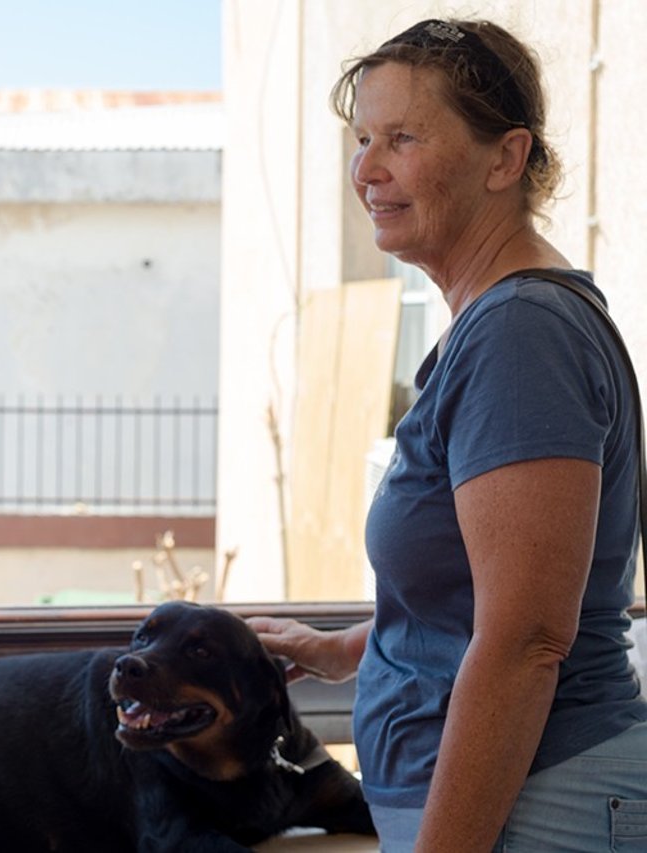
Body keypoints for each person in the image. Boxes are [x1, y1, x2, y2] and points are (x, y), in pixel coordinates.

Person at [249, 18, 647, 852]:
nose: (366, 169)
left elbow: (528, 636)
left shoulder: (522, 333)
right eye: (363, 139)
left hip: (543, 808)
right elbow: (478, 590)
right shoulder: (500, 327)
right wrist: (344, 647)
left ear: (505, 159)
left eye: (403, 138)